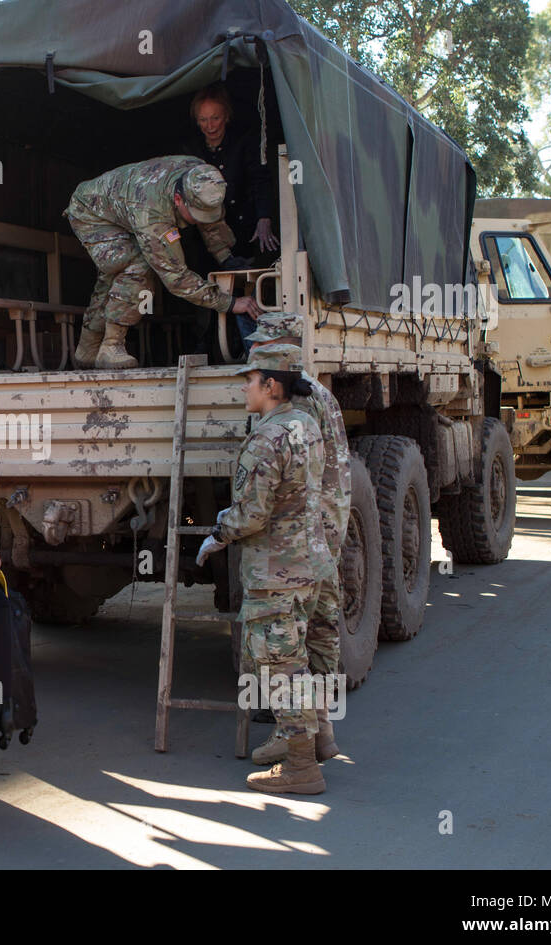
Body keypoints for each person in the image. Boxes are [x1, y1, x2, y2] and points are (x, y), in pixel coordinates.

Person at [196, 343, 335, 794]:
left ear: (271, 386)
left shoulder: (268, 436)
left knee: (281, 669)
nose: (244, 387)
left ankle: (301, 769)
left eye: (250, 380)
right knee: (298, 659)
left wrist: (217, 535)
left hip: (275, 572)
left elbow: (252, 513)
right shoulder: (308, 425)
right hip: (308, 565)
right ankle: (317, 743)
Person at [243, 314, 351, 765]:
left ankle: (298, 738)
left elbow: (276, 486)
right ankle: (321, 732)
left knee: (287, 643)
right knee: (321, 634)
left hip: (296, 541)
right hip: (324, 533)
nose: (252, 354)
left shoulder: (291, 406)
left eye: (262, 346)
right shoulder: (318, 393)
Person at [65, 155, 264, 370]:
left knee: (113, 274)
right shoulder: (153, 214)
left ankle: (87, 348)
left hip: (121, 209)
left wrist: (226, 258)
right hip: (92, 215)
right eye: (196, 215)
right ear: (178, 200)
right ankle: (111, 346)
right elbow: (175, 278)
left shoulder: (201, 175)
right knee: (137, 264)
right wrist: (230, 303)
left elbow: (210, 219)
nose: (200, 219)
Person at [184, 85, 278, 260]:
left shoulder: (244, 142)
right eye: (203, 120)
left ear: (226, 116)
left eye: (215, 118)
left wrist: (264, 217)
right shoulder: (191, 150)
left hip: (245, 226)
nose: (210, 126)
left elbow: (260, 180)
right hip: (208, 234)